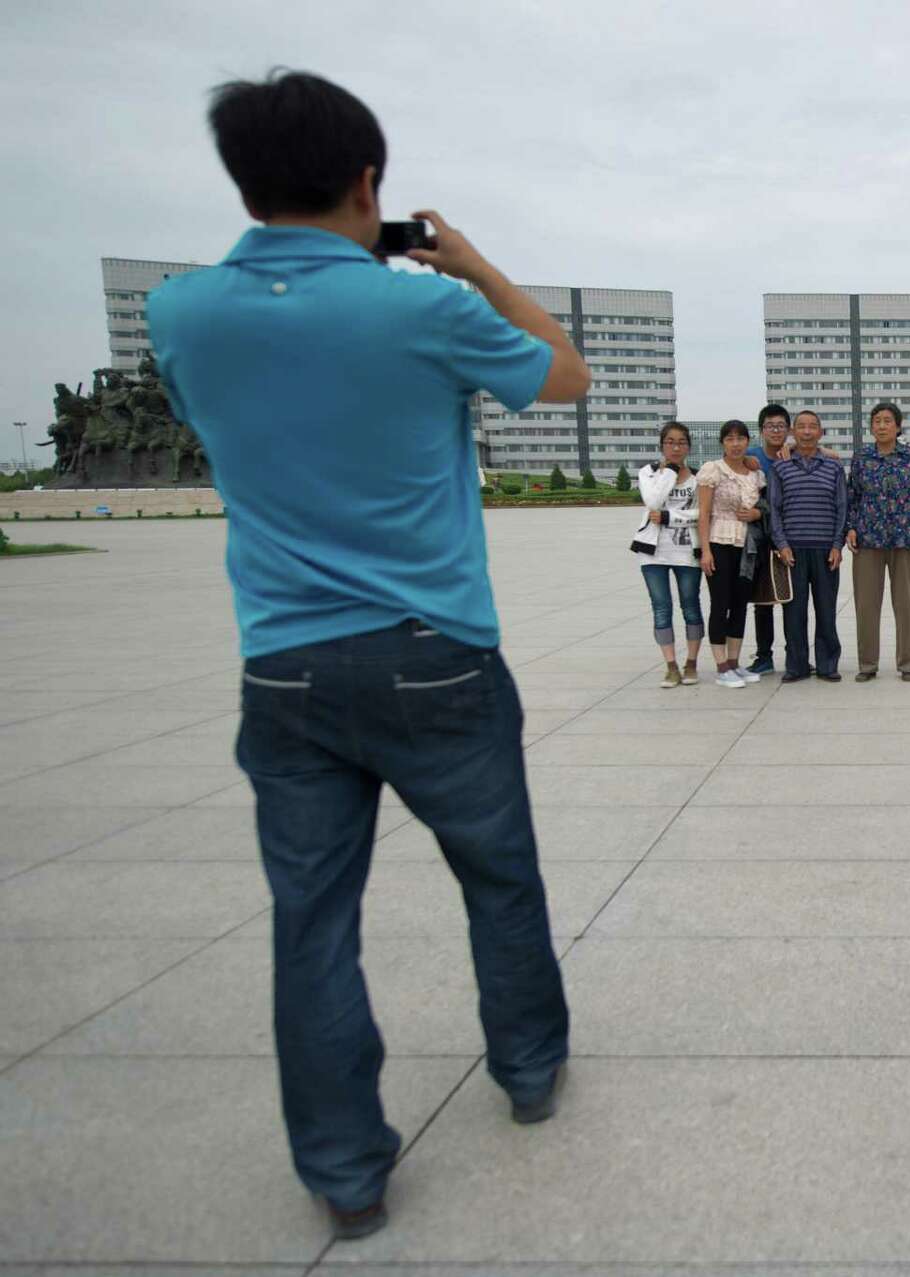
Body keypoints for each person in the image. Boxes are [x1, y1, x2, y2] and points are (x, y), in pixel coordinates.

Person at [145, 70, 581, 1240]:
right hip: (436, 654)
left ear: (243, 179)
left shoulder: (178, 312)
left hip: (283, 663)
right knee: (499, 877)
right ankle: (530, 1071)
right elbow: (567, 377)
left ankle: (346, 1170)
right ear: (368, 180)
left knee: (312, 917)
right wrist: (475, 267)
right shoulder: (418, 307)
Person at [847, 401, 910, 682]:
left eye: (887, 421)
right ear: (871, 427)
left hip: (904, 537)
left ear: (897, 426)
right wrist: (849, 528)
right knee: (866, 605)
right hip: (868, 540)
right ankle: (867, 664)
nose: (881, 426)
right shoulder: (861, 459)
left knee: (906, 604)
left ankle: (907, 664)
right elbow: (853, 497)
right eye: (876, 421)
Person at [769, 408, 848, 682]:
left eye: (812, 426)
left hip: (826, 550)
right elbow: (774, 510)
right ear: (793, 432)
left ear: (820, 433)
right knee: (794, 612)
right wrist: (781, 544)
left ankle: (827, 665)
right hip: (792, 551)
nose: (806, 431)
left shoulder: (834, 467)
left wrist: (838, 545)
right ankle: (797, 666)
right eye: (800, 426)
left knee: (826, 609)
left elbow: (842, 508)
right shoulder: (780, 468)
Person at [696, 420, 767, 686]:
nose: (735, 444)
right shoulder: (712, 470)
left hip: (747, 545)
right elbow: (703, 513)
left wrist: (758, 513)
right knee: (720, 603)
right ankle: (721, 666)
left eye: (740, 438)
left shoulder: (755, 474)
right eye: (730, 439)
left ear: (748, 441)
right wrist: (705, 551)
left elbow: (764, 505)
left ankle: (735, 663)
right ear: (722, 442)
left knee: (740, 604)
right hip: (718, 542)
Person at [634, 422, 703, 687]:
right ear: (662, 445)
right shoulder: (649, 473)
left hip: (687, 552)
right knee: (661, 608)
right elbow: (652, 501)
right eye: (670, 442)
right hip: (653, 553)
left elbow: (701, 515)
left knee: (691, 606)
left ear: (688, 446)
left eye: (681, 442)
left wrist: (669, 516)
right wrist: (670, 471)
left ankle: (692, 663)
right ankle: (671, 666)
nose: (676, 447)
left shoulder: (698, 478)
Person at [743, 404, 790, 676]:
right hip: (760, 536)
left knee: (791, 600)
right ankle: (764, 656)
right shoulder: (752, 456)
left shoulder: (793, 454)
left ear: (788, 430)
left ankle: (796, 653)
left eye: (781, 426)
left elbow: (829, 453)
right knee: (763, 601)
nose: (775, 430)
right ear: (762, 431)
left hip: (789, 534)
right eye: (770, 426)